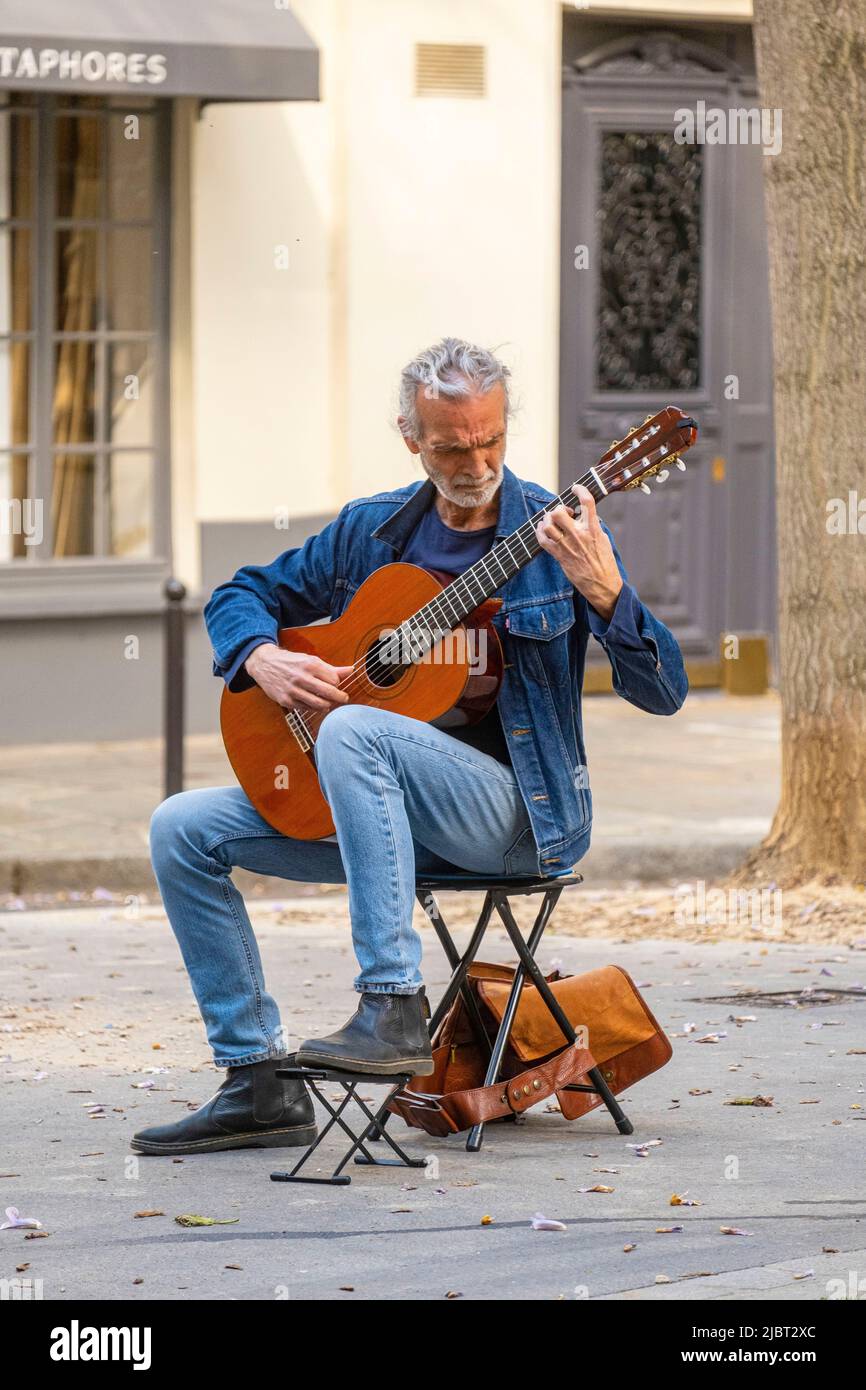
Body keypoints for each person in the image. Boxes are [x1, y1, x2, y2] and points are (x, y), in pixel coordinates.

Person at [131, 337, 687, 1156]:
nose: (476, 461)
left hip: (511, 818)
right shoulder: (372, 532)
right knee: (181, 827)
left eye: (491, 440)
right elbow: (239, 592)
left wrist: (607, 592)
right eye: (453, 446)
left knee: (357, 727)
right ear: (411, 437)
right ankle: (256, 1082)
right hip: (379, 820)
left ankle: (391, 1005)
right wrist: (264, 657)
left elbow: (664, 692)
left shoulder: (553, 537)